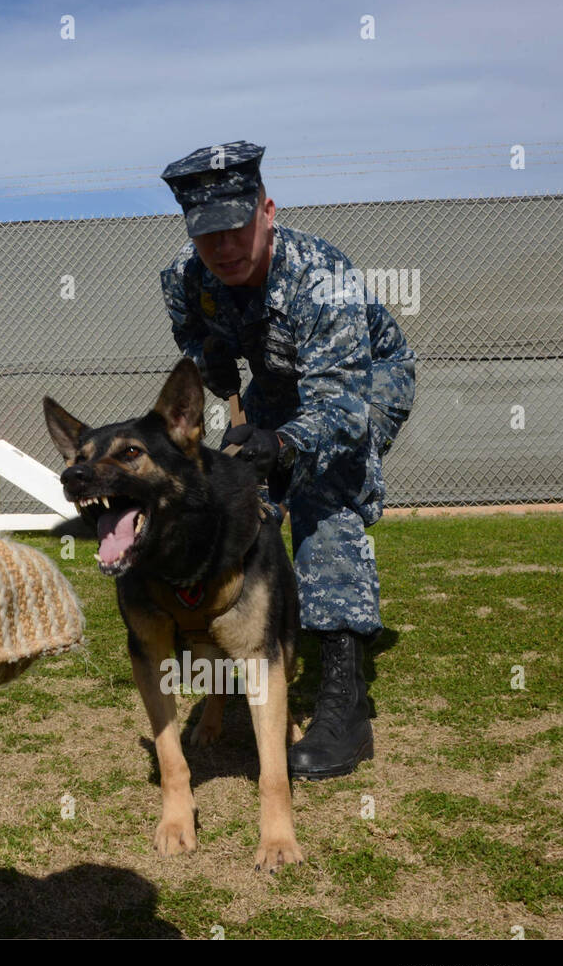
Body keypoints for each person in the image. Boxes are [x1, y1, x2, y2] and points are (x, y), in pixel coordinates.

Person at [158, 141, 416, 779]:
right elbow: (191, 331)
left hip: (364, 382)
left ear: (267, 210)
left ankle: (345, 707)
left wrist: (283, 444)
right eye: (205, 233)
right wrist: (212, 360)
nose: (221, 246)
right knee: (249, 497)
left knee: (324, 496)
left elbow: (341, 405)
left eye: (235, 226)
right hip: (279, 384)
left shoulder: (320, 276)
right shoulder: (188, 278)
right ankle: (258, 633)